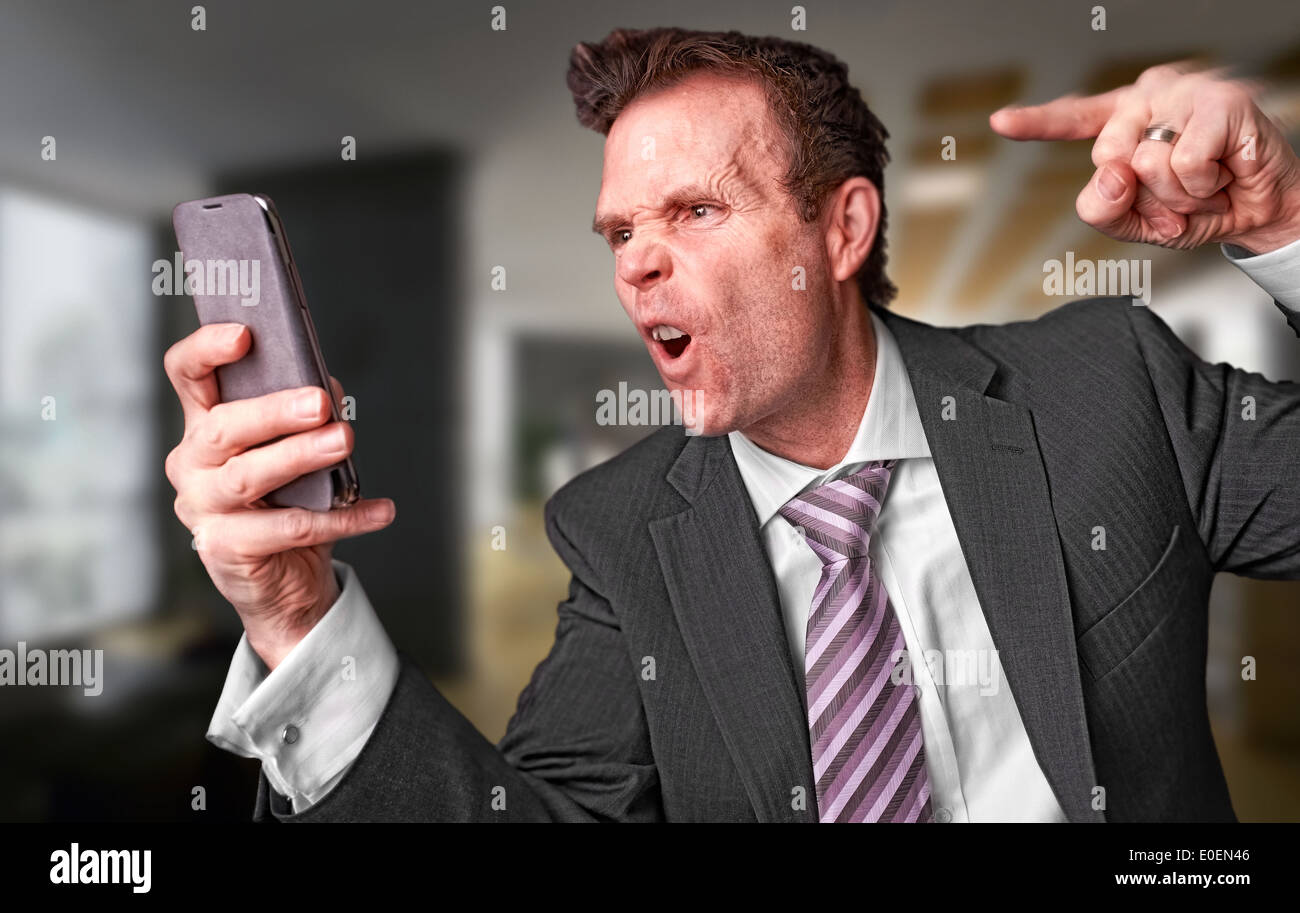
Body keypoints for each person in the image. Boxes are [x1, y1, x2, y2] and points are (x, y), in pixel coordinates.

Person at [164, 28, 1300, 822]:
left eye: (696, 210)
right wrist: (296, 615)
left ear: (841, 229)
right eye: (619, 233)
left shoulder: (1107, 387)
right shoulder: (616, 533)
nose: (640, 260)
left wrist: (1286, 220)